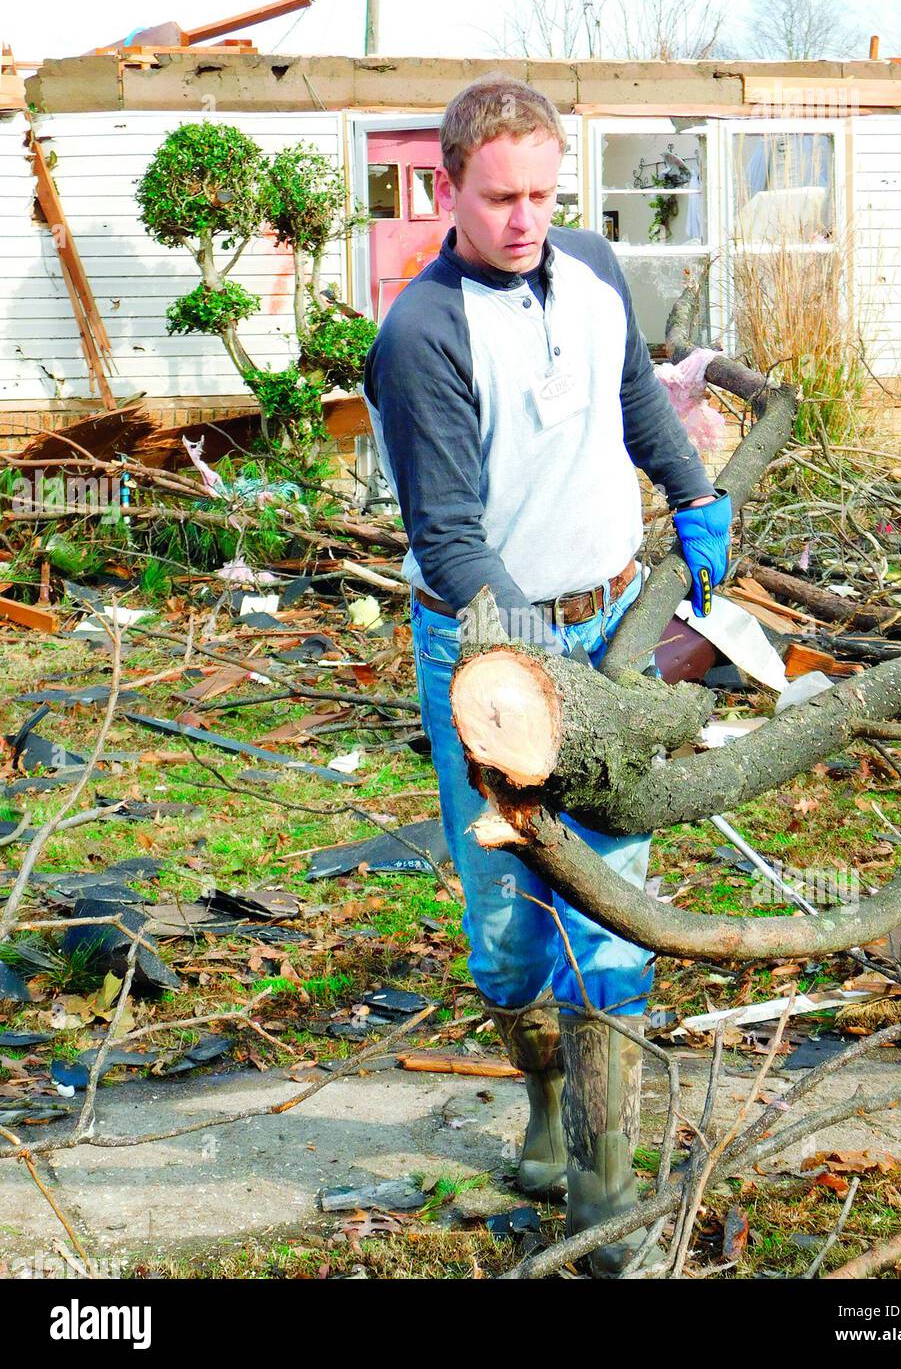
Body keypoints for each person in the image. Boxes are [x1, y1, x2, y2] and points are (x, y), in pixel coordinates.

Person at [362, 74, 731, 1275]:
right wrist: (539, 671)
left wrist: (693, 492)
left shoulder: (590, 267)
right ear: (448, 191)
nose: (525, 218)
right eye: (498, 197)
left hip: (609, 612)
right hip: (481, 648)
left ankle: (600, 1180)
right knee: (511, 928)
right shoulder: (423, 334)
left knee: (609, 912)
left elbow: (632, 396)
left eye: (541, 191)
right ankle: (536, 1096)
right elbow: (452, 534)